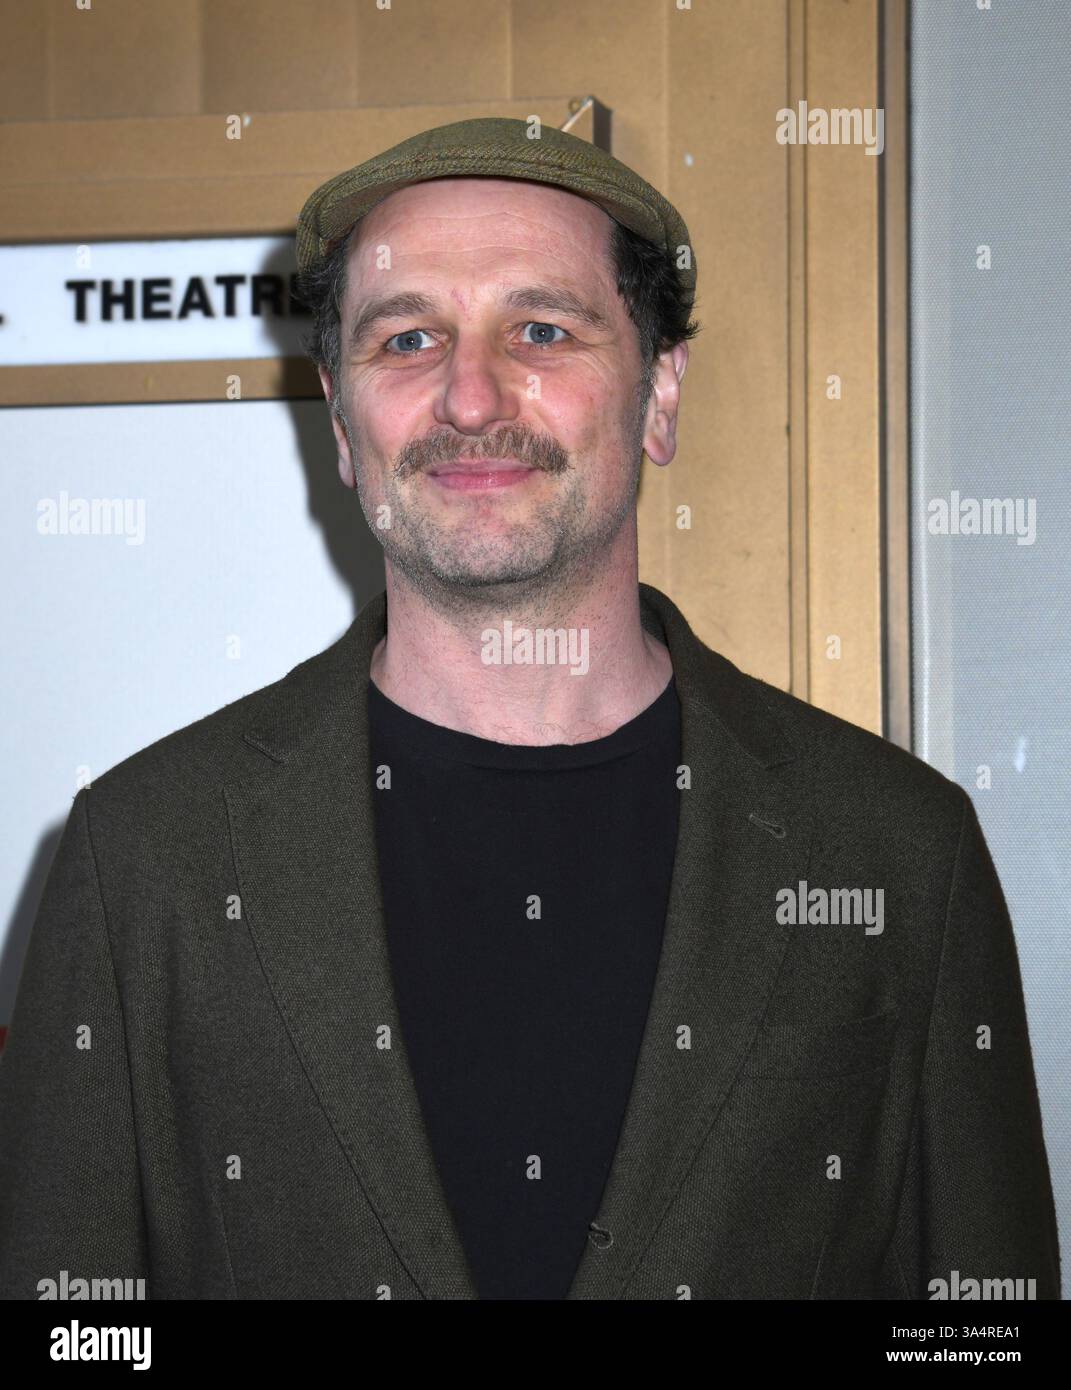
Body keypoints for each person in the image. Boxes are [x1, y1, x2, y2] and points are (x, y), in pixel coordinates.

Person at [0, 118, 1060, 1301]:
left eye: (541, 329)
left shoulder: (898, 853)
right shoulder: (144, 861)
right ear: (343, 422)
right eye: (407, 339)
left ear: (660, 393)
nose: (468, 394)